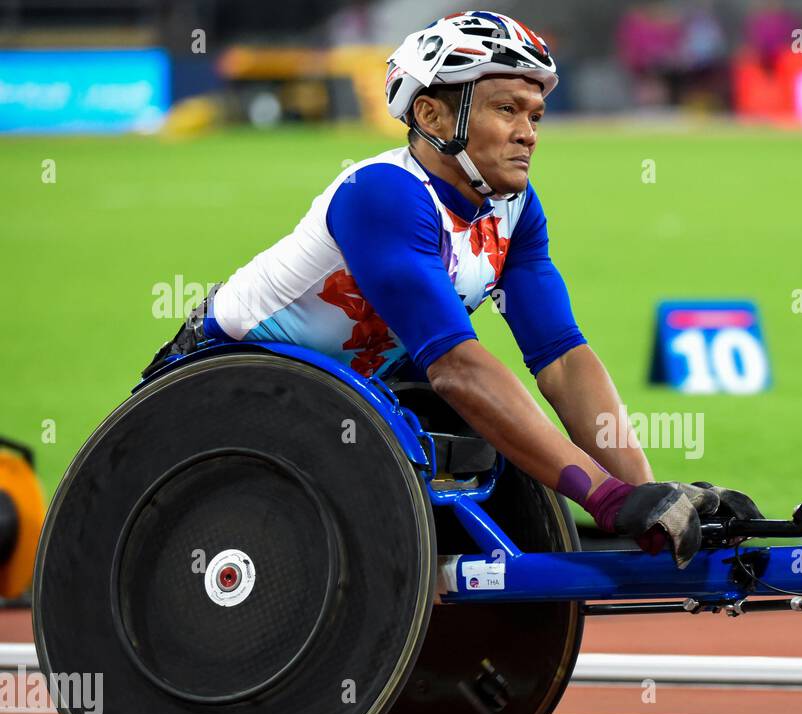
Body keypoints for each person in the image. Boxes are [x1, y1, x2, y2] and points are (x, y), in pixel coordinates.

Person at [145, 11, 761, 568]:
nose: (528, 133)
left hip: (334, 402)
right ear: (432, 115)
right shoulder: (383, 195)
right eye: (506, 110)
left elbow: (563, 360)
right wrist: (603, 497)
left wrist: (649, 497)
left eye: (535, 114)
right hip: (214, 392)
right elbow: (458, 370)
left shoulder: (513, 209)